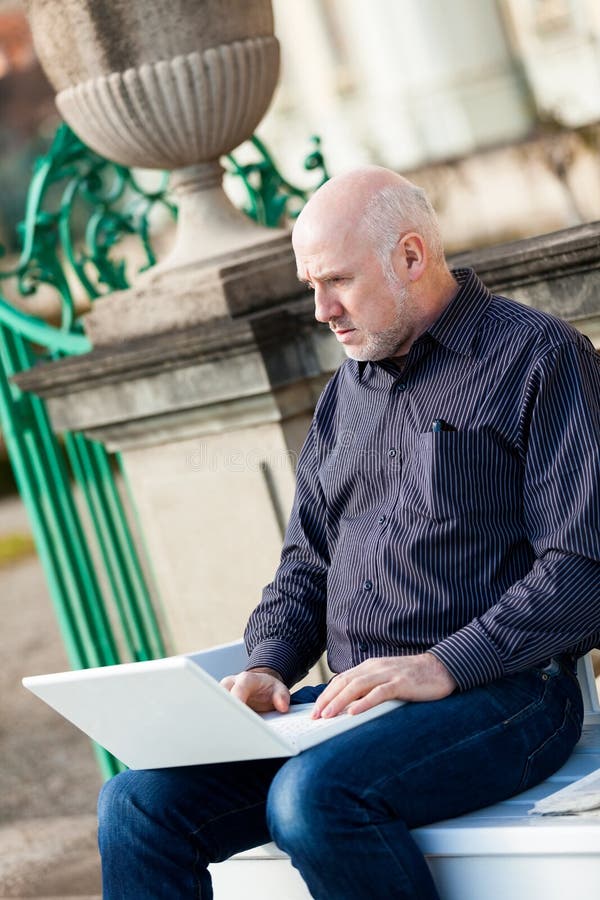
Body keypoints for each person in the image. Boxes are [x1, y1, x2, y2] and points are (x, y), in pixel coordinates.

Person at [97, 167, 600, 899]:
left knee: (311, 799)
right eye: (310, 285)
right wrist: (268, 666)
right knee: (135, 805)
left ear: (410, 256)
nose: (320, 309)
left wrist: (442, 664)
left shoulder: (541, 359)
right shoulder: (345, 394)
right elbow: (306, 564)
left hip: (510, 694)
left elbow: (585, 567)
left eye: (336, 280)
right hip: (350, 710)